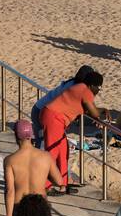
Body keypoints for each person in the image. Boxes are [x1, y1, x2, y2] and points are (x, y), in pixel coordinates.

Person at [31, 67, 105, 195]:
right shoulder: (85, 91)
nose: (99, 91)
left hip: (53, 117)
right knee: (52, 152)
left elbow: (88, 109)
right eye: (99, 88)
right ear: (92, 85)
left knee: (63, 151)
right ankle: (43, 185)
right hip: (53, 118)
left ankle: (62, 184)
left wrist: (103, 111)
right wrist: (100, 116)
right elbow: (93, 112)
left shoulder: (79, 87)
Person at [3, 120, 63, 216]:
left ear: (16, 136)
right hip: (40, 204)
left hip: (19, 205)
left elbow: (10, 190)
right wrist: (44, 175)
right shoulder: (45, 156)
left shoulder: (10, 160)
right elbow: (59, 181)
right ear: (31, 135)